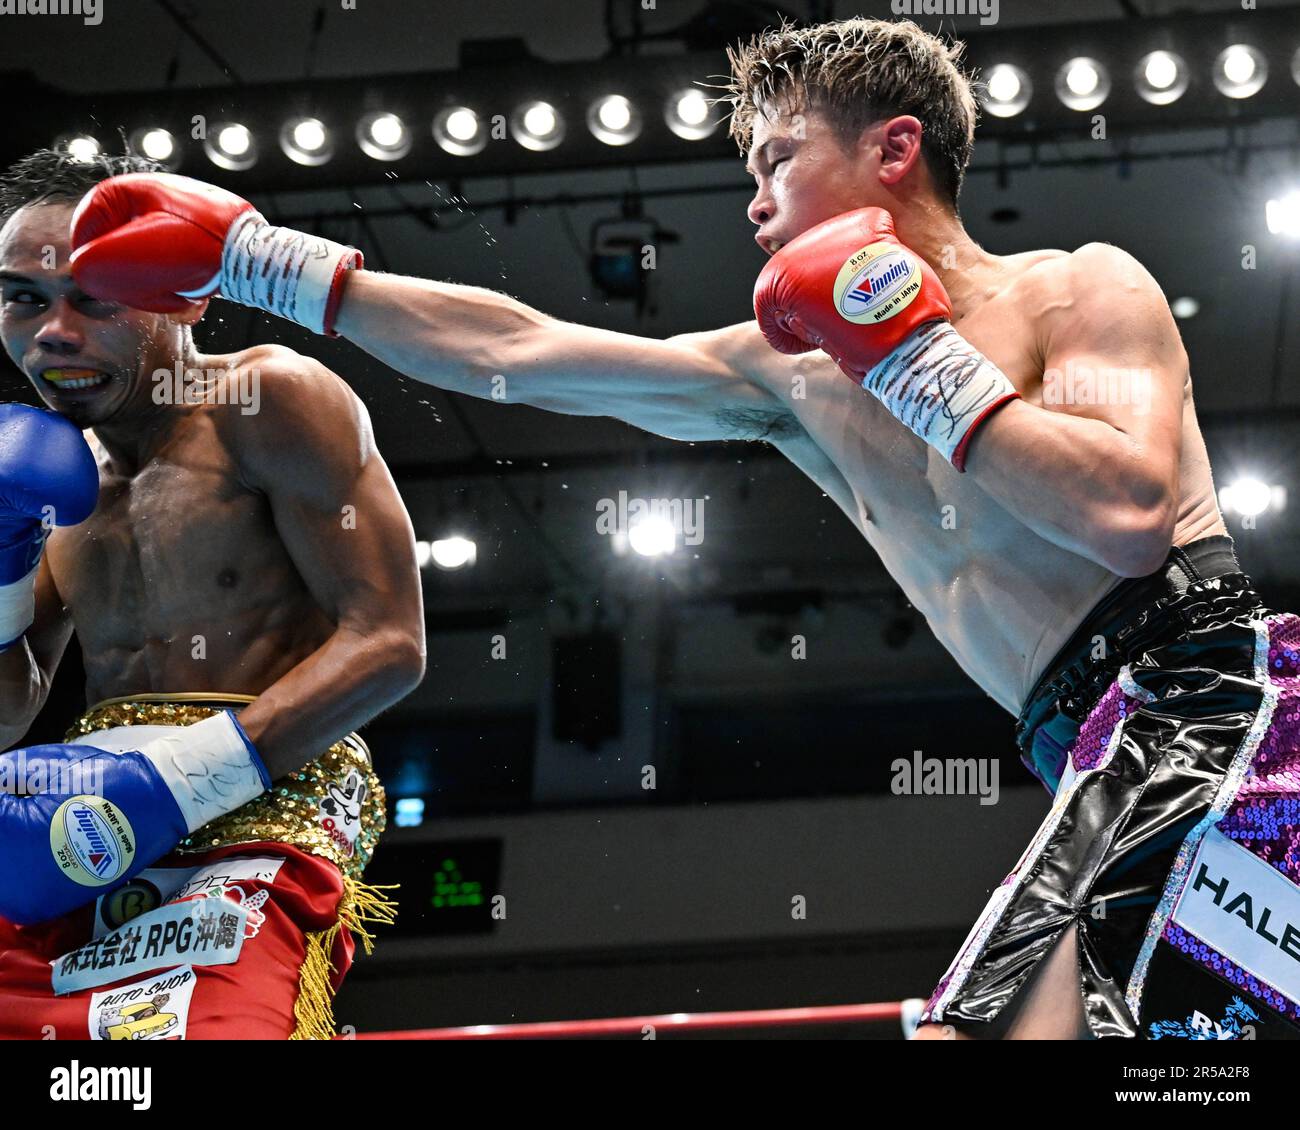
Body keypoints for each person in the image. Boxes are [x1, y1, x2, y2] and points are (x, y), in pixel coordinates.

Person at [64, 18, 1300, 1040]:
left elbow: (1127, 518)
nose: (751, 200)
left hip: (1205, 700)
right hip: (1090, 749)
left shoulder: (1078, 286)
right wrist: (268, 262)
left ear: (894, 146)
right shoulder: (792, 376)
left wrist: (911, 355)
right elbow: (519, 352)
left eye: (776, 158)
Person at [0, 149, 426, 1039]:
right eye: (25, 300)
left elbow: (389, 642)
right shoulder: (41, 475)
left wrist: (176, 781)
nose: (54, 334)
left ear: (180, 296)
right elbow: (9, 711)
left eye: (94, 299)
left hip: (262, 812)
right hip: (88, 824)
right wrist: (3, 570)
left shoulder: (265, 400)